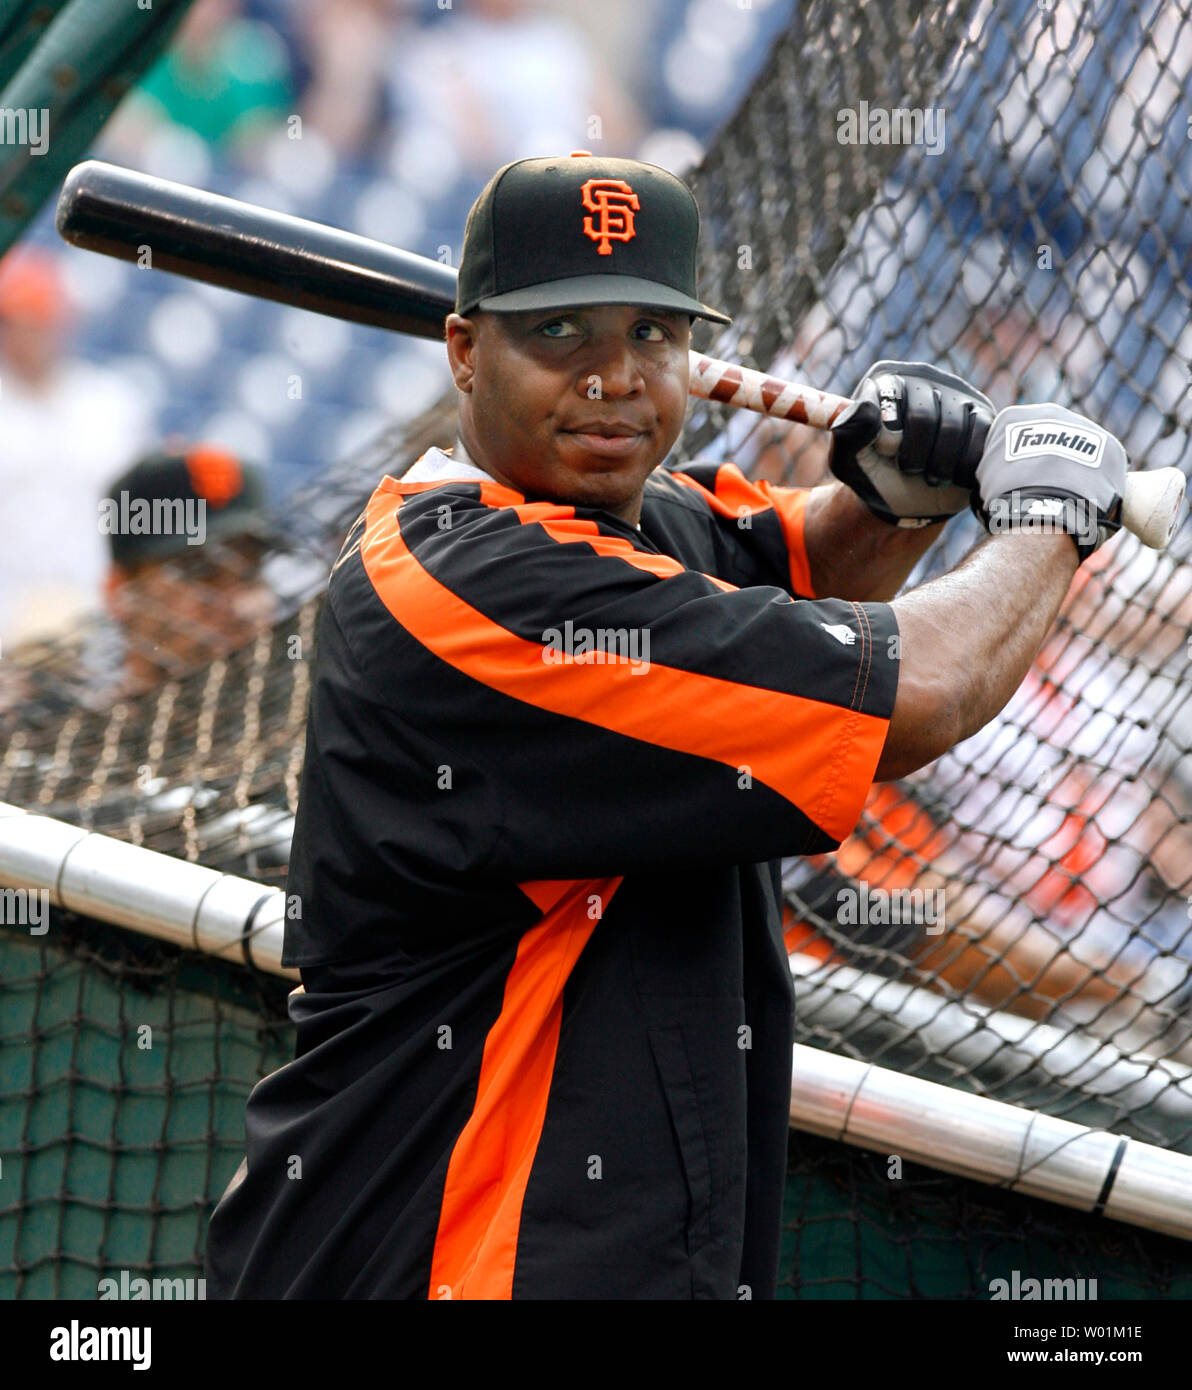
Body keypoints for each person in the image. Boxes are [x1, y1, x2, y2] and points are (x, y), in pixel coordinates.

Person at [204, 152, 1128, 1300]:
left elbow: (793, 572)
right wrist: (1046, 516)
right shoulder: (475, 585)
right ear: (463, 351)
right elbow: (917, 691)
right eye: (562, 335)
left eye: (651, 334)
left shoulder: (624, 531)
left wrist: (894, 494)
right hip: (439, 1253)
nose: (613, 379)